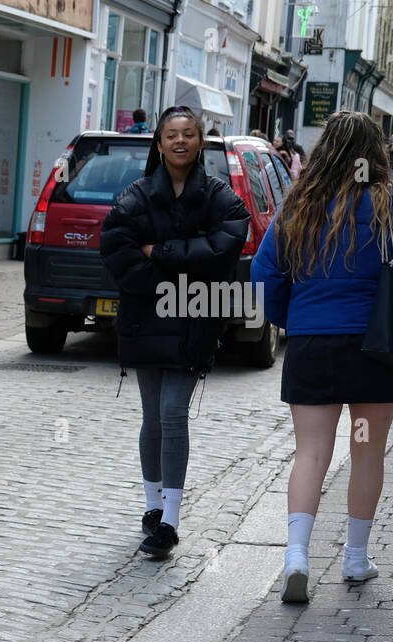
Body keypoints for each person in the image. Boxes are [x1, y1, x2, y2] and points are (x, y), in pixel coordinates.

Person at [250, 111, 393, 602]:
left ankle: (296, 555)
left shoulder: (298, 206)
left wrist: (290, 320)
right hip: (374, 349)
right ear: (375, 153)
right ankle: (356, 558)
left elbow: (263, 277)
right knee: (365, 451)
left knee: (312, 452)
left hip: (313, 345)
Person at [101, 105, 251, 559]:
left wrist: (161, 252)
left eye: (189, 134)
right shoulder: (137, 194)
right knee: (151, 416)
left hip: (195, 316)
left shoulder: (221, 197)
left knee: (172, 413)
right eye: (171, 135)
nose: (180, 141)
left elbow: (224, 247)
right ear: (159, 142)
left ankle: (170, 521)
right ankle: (151, 508)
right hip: (147, 317)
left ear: (200, 141)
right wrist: (169, 279)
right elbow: (115, 246)